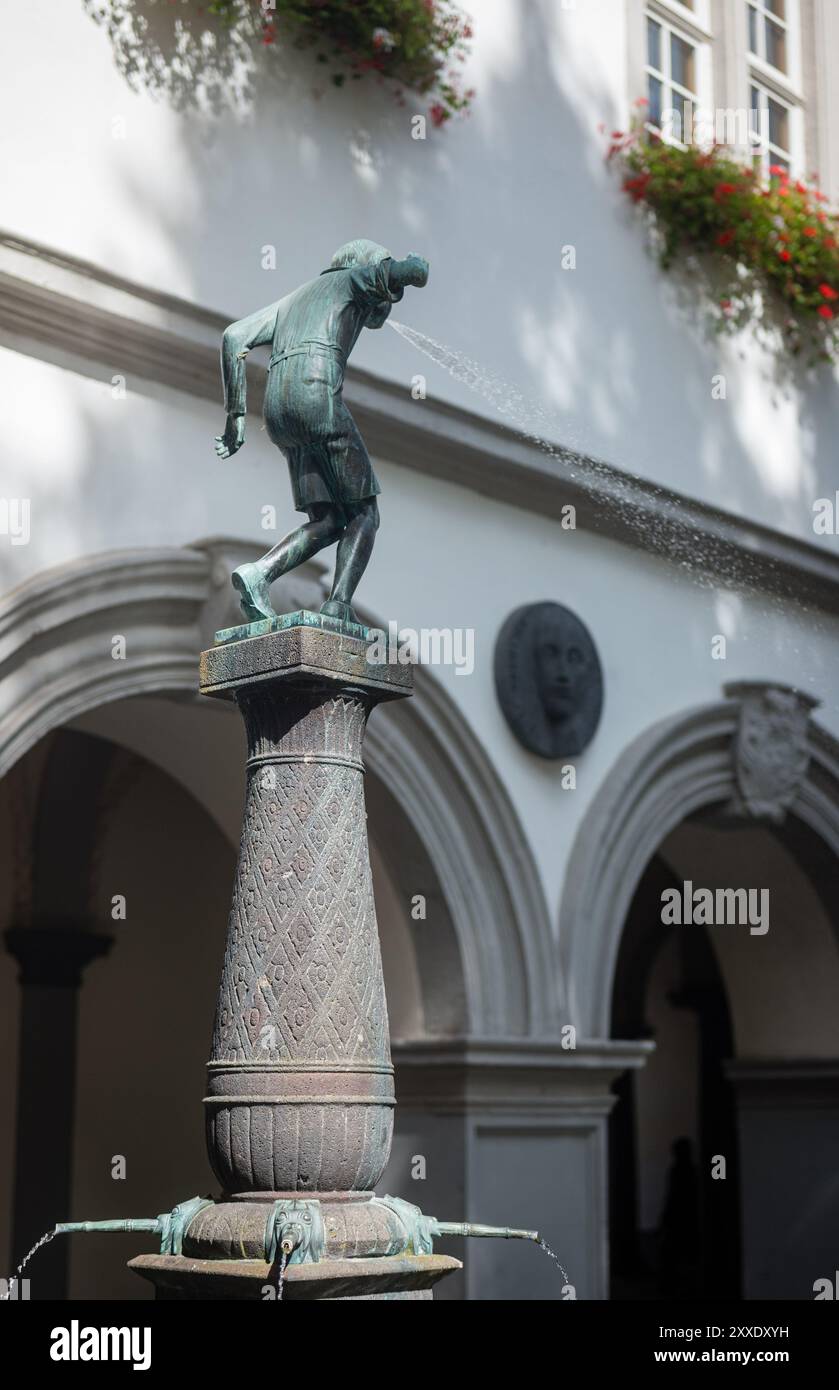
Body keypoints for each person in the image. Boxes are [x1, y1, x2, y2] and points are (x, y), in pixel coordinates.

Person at [214, 239, 430, 626]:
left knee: (329, 519)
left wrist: (236, 416)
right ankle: (339, 606)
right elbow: (409, 273)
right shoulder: (351, 279)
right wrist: (410, 268)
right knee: (365, 512)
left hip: (279, 413)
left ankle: (259, 573)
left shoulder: (292, 300)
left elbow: (233, 338)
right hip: (317, 398)